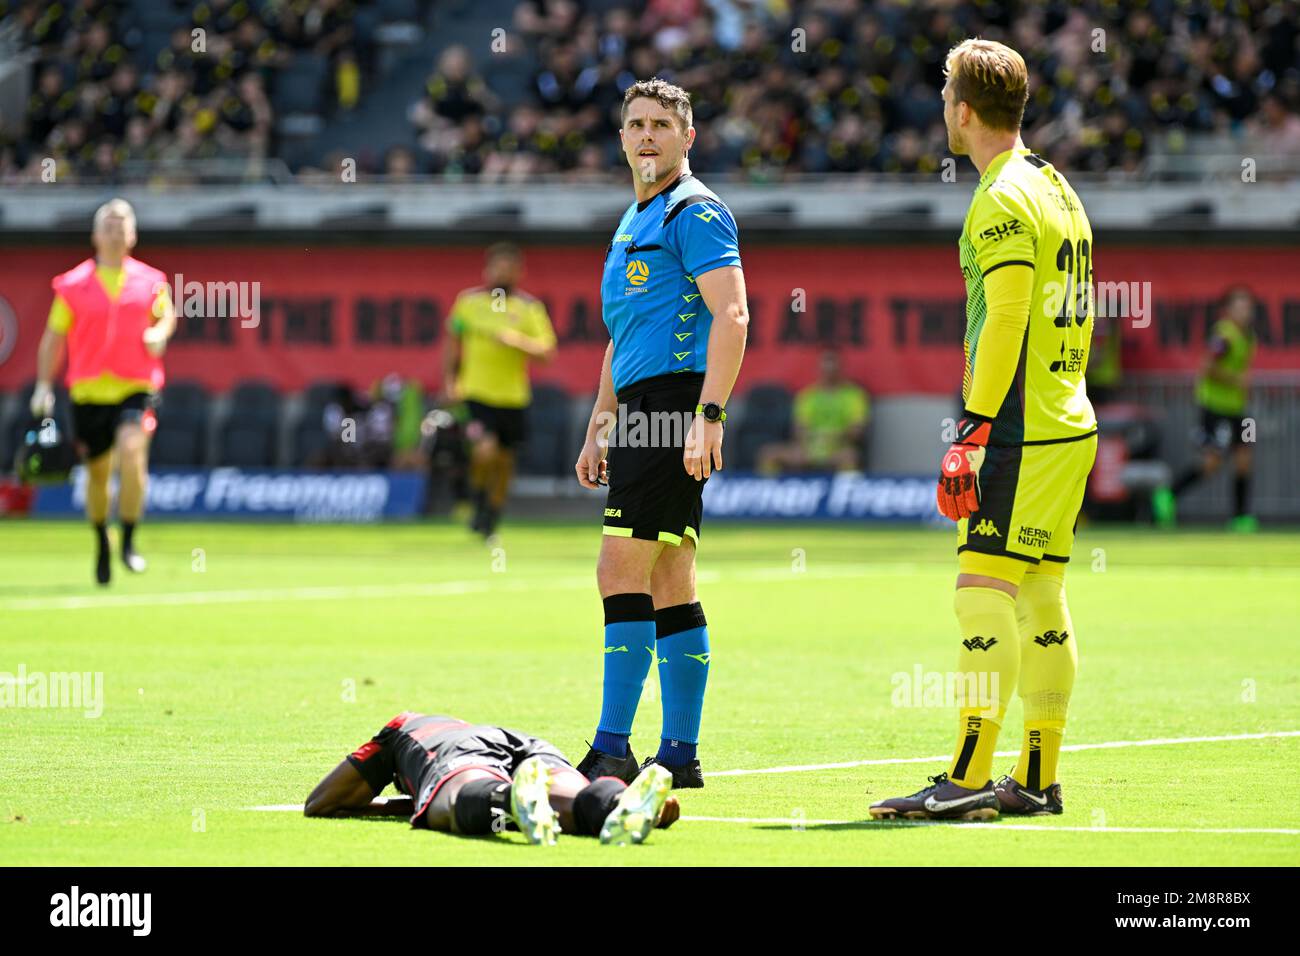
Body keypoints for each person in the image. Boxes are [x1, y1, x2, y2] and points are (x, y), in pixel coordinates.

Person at [870, 39, 1097, 821]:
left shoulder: (1001, 194)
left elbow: (1005, 315)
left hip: (1020, 428)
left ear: (961, 111)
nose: (941, 108)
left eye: (943, 96)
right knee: (1040, 593)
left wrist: (974, 427)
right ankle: (1036, 778)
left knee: (981, 595)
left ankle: (966, 777)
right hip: (1066, 418)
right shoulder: (1057, 187)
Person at [573, 78, 748, 789]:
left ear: (687, 138)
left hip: (675, 405)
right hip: (643, 406)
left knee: (619, 571)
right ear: (621, 138)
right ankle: (678, 754)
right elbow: (621, 336)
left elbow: (733, 317)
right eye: (636, 125)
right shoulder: (632, 220)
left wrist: (707, 417)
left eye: (661, 126)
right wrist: (598, 426)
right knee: (671, 576)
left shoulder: (694, 211)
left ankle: (612, 746)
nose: (647, 136)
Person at [31, 198, 174, 585]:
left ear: (133, 235)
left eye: (121, 224)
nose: (114, 231)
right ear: (95, 235)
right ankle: (101, 541)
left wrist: (158, 333)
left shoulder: (152, 280)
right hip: (89, 392)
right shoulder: (73, 285)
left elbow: (167, 315)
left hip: (136, 386)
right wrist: (44, 385)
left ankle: (128, 539)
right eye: (107, 225)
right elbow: (53, 339)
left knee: (131, 452)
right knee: (97, 475)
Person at [304, 711, 678, 846]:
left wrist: (413, 805)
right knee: (573, 807)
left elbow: (321, 802)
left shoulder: (398, 729)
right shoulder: (452, 723)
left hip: (461, 754)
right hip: (525, 744)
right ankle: (620, 803)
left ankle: (506, 797)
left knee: (448, 804)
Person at [443, 243, 556, 541]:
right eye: (497, 267)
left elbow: (547, 351)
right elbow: (453, 341)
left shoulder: (529, 308)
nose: (502, 273)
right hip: (476, 393)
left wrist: (517, 341)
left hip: (513, 397)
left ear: (519, 272)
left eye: (509, 268)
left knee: (504, 463)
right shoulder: (468, 302)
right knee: (484, 451)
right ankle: (477, 499)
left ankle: (491, 515)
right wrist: (450, 381)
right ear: (487, 270)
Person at [1152, 286, 1257, 532]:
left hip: (1238, 409)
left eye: (1247, 306)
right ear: (1229, 310)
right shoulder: (1224, 335)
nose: (1244, 311)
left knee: (1244, 459)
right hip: (1215, 407)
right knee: (1212, 463)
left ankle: (1240, 517)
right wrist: (1235, 381)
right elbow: (1207, 367)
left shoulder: (1249, 336)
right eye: (1239, 306)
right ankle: (1168, 494)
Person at [757, 350, 870, 473]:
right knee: (768, 454)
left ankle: (846, 491)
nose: (829, 373)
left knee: (850, 457)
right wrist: (809, 441)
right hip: (809, 447)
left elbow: (857, 430)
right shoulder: (808, 396)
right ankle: (772, 491)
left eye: (832, 369)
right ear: (819, 370)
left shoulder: (854, 396)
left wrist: (833, 437)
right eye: (825, 369)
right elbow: (799, 428)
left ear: (840, 369)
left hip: (838, 447)